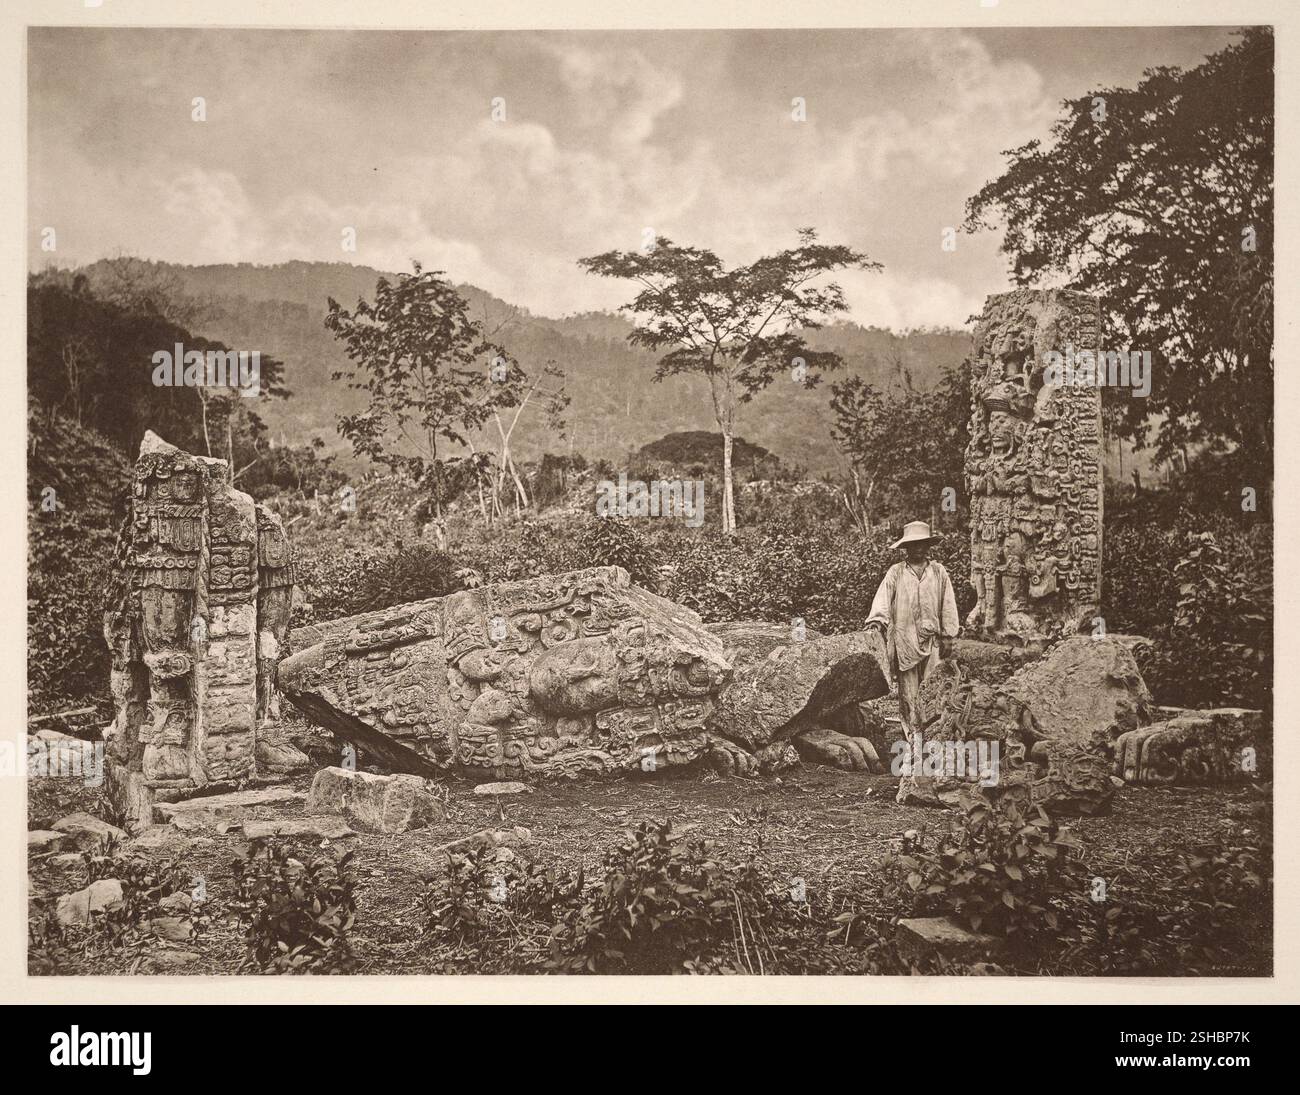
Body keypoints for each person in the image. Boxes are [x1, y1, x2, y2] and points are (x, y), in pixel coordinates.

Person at [864, 521, 960, 740]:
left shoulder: (938, 572)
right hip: (905, 642)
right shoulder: (896, 573)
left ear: (928, 546)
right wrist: (876, 622)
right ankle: (913, 736)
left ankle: (933, 735)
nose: (919, 549)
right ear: (906, 547)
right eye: (914, 544)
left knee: (934, 689)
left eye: (923, 544)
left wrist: (949, 636)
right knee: (909, 694)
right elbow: (882, 600)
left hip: (932, 641)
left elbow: (948, 604)